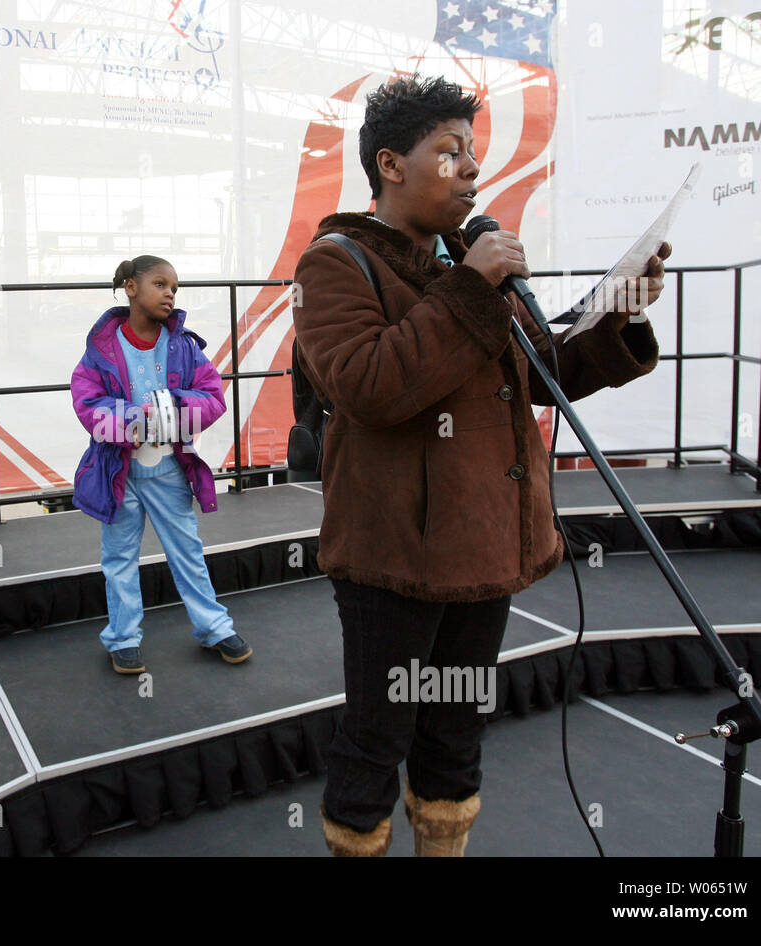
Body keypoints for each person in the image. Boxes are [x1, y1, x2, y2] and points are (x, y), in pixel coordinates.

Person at [292, 76, 669, 856]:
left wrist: (617, 313)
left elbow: (539, 372)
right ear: (391, 164)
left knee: (455, 737)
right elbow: (369, 386)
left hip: (482, 553)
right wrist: (469, 286)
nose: (470, 168)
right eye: (449, 151)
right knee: (376, 739)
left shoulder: (470, 261)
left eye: (473, 151)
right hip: (392, 563)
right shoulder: (337, 264)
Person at [70, 256, 253, 674]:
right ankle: (122, 637)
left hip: (169, 470)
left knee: (187, 551)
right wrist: (126, 424)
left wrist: (176, 408)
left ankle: (214, 628)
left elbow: (213, 396)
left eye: (174, 286)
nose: (170, 292)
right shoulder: (101, 348)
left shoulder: (185, 345)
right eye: (159, 283)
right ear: (131, 287)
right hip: (118, 474)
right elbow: (85, 399)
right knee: (119, 557)